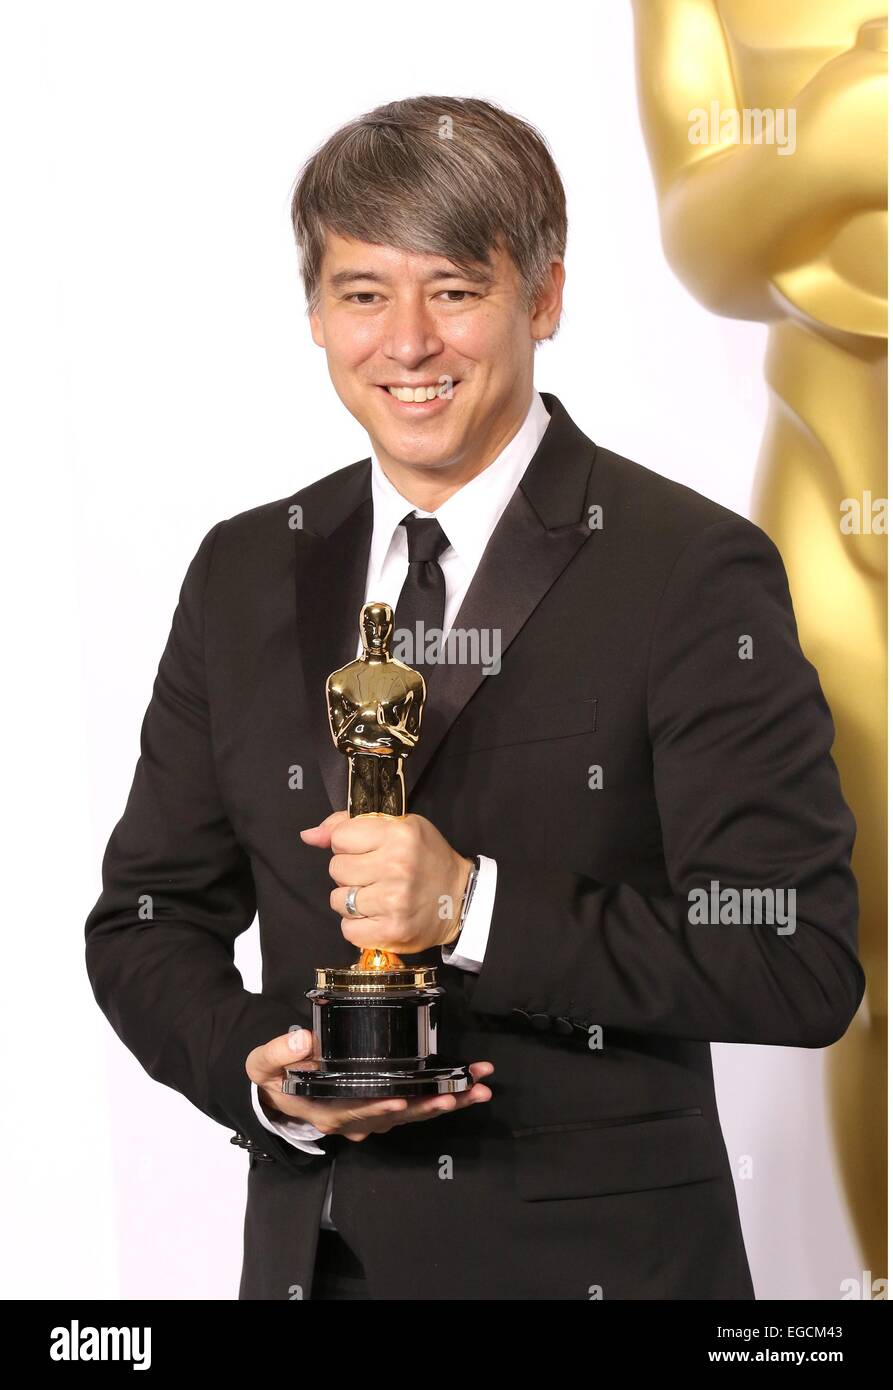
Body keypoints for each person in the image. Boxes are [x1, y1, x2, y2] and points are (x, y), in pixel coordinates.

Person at [85, 94, 864, 1301]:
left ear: (542, 297)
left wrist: (472, 902)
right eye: (360, 293)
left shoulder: (685, 569)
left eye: (452, 289)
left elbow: (796, 959)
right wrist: (260, 1074)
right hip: (310, 1266)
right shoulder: (242, 569)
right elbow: (144, 921)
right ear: (315, 312)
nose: (405, 343)